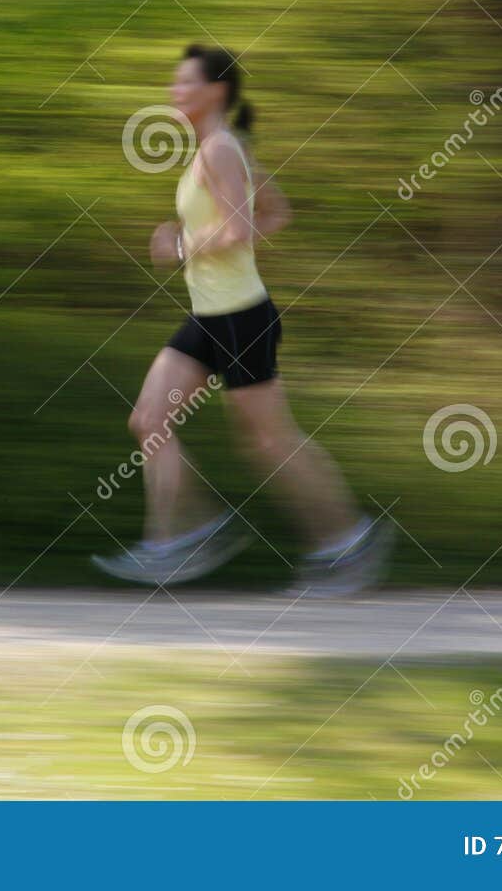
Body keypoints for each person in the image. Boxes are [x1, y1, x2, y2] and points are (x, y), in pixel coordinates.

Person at [91, 45, 391, 596]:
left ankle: (348, 541)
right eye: (173, 83)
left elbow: (236, 229)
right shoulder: (224, 147)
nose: (173, 92)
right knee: (149, 419)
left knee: (270, 443)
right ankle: (179, 537)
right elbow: (275, 213)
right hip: (210, 316)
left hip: (240, 319)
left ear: (216, 91)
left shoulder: (221, 150)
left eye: (184, 83)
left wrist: (180, 243)